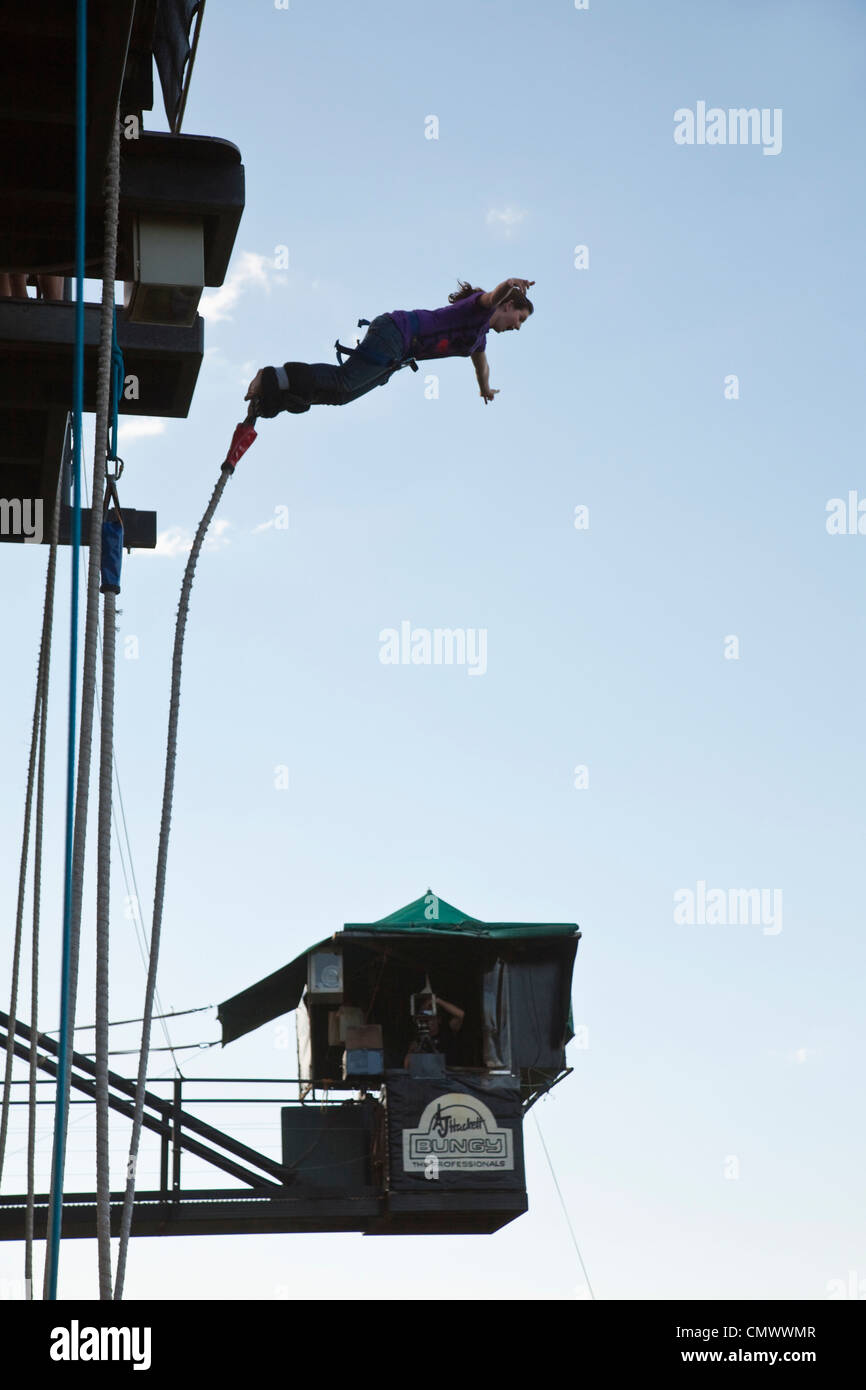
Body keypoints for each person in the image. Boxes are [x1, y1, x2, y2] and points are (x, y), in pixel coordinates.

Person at [244, 277, 534, 417]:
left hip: (398, 351)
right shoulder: (480, 307)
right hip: (397, 333)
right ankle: (273, 377)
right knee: (344, 382)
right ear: (508, 305)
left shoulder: (479, 337)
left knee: (343, 395)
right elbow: (494, 295)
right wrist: (510, 284)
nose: (518, 326)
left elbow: (482, 364)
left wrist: (484, 388)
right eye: (519, 318)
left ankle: (279, 396)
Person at [404, 990, 465, 1068]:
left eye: (431, 1018)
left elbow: (460, 1015)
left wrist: (437, 1001)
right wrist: (412, 1051)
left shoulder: (447, 1031)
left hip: (450, 1074)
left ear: (438, 1019)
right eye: (425, 1018)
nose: (428, 1021)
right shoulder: (419, 1040)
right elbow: (406, 1066)